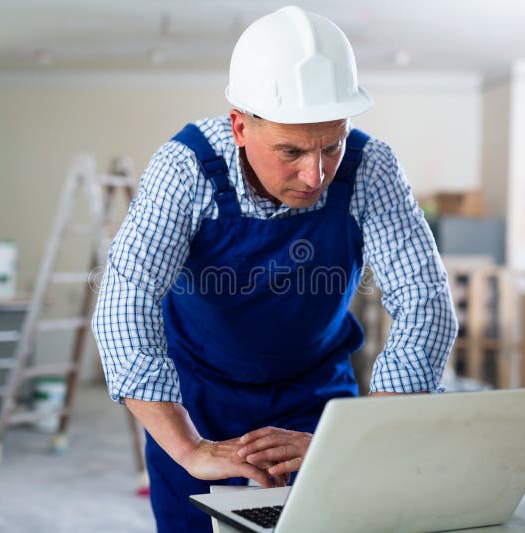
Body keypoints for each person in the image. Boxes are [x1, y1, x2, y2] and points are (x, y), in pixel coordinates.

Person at [92, 5, 458, 532]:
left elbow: (425, 303)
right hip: (199, 398)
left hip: (318, 397)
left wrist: (352, 442)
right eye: (291, 151)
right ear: (240, 127)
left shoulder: (370, 167)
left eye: (330, 146)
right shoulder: (187, 167)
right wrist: (191, 449)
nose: (315, 175)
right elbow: (125, 300)